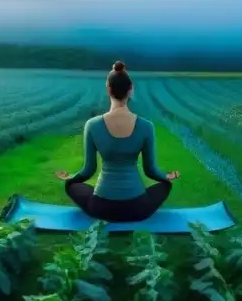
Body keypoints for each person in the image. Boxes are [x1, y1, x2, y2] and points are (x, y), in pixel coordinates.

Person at [55, 61, 180, 222]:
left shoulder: (92, 125)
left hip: (102, 207)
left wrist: (70, 177)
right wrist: (166, 176)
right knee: (165, 185)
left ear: (108, 90)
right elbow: (150, 171)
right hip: (137, 208)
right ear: (131, 90)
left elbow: (88, 170)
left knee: (71, 185)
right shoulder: (146, 126)